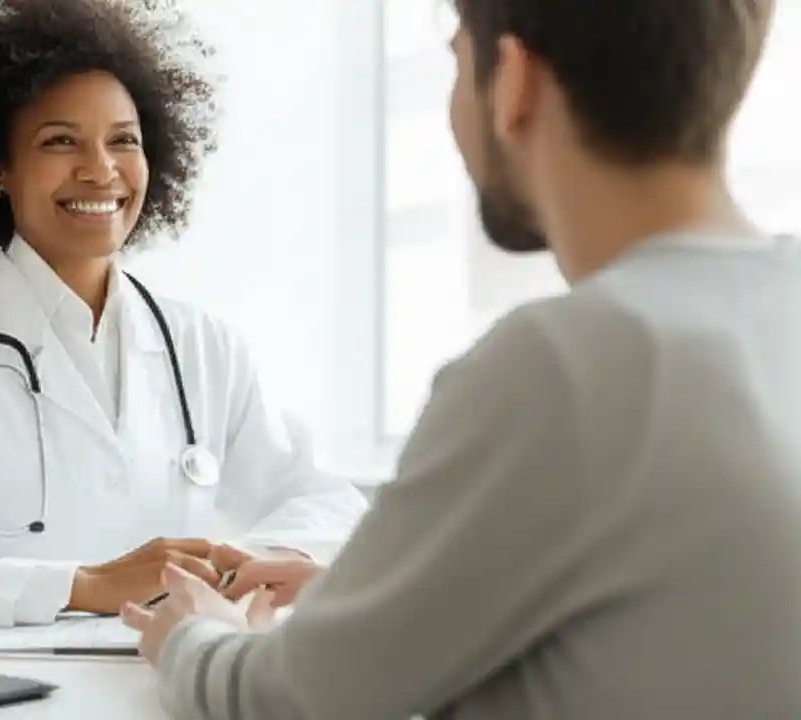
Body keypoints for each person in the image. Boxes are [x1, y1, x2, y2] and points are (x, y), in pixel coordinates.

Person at [124, 0, 801, 717]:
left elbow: (282, 701)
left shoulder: (567, 364)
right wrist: (367, 601)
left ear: (514, 81)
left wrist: (192, 634)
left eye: (456, 59)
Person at [0, 0, 366, 629]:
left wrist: (256, 561)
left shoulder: (203, 346)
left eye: (124, 141)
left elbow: (326, 503)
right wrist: (81, 586)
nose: (101, 170)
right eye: (60, 141)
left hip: (161, 669)